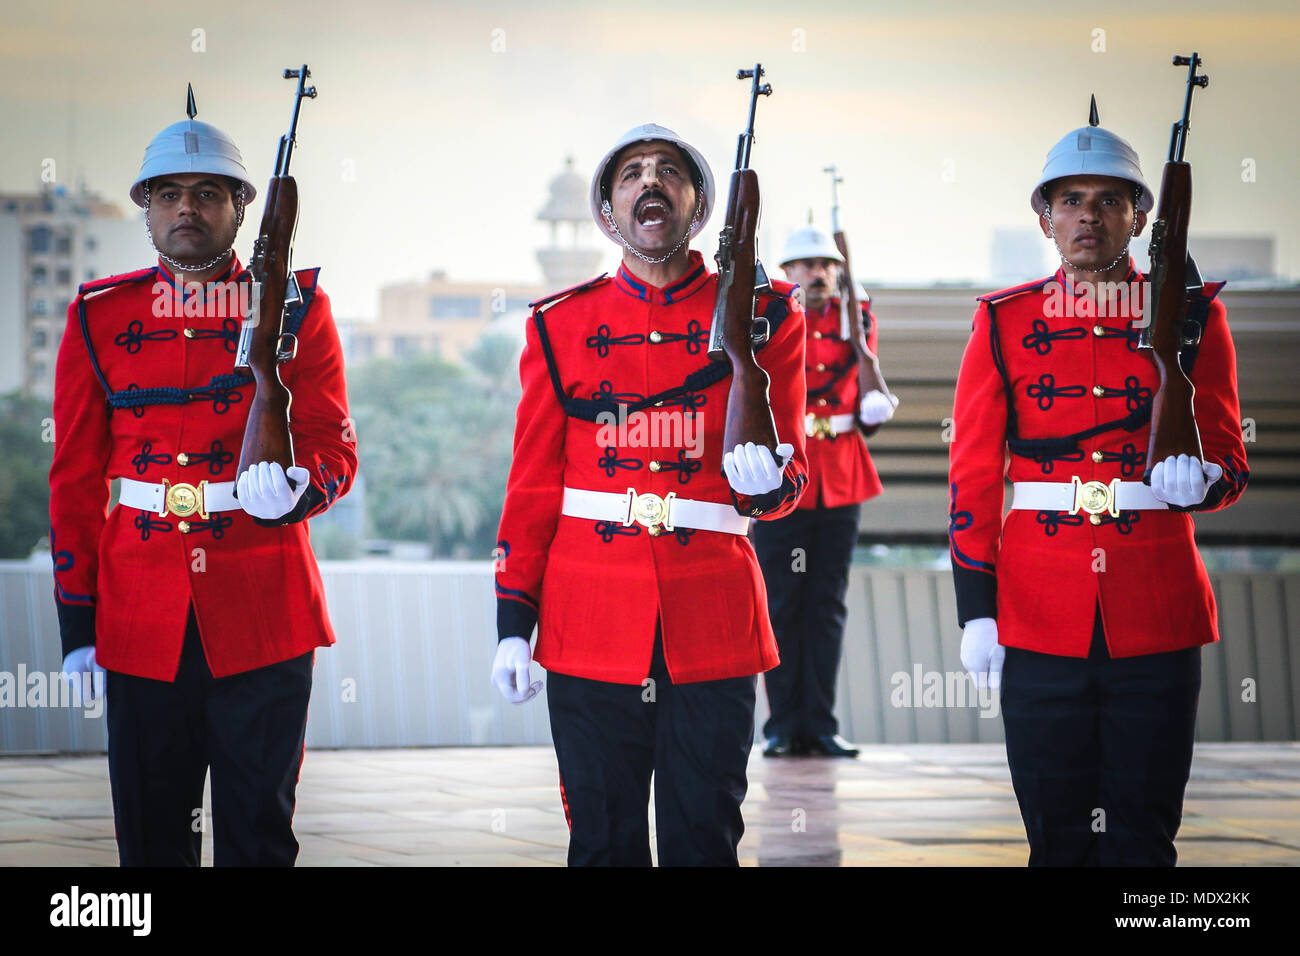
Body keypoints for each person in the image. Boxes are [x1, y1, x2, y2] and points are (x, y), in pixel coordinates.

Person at [489, 123, 809, 865]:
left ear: (699, 207)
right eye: (630, 174)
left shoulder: (768, 316)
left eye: (669, 171)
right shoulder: (557, 323)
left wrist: (767, 489)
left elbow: (792, 476)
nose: (649, 183)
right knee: (603, 839)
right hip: (588, 617)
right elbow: (533, 484)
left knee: (705, 835)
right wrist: (513, 618)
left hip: (714, 615)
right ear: (607, 212)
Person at [51, 92, 356, 866]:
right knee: (152, 838)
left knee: (259, 832)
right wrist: (77, 625)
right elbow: (76, 478)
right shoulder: (97, 315)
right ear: (146, 211)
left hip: (263, 607)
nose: (188, 209)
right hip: (140, 611)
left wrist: (299, 487)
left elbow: (333, 446)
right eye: (170, 194)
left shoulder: (294, 308)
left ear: (242, 207)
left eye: (209, 193)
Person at [948, 104, 1248, 865]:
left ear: (1142, 215)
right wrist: (976, 611)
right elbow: (975, 476)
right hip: (1038, 607)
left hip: (1156, 603)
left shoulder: (1192, 317)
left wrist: (1202, 480)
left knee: (1143, 839)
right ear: (1044, 217)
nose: (1090, 217)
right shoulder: (1002, 321)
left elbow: (1229, 457)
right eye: (1072, 200)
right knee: (1056, 837)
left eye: (1110, 200)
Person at [754, 226, 897, 757]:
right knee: (782, 602)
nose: (816, 274)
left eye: (825, 265)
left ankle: (820, 723)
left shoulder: (856, 319)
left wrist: (874, 406)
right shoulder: (770, 317)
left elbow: (865, 394)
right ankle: (782, 727)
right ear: (785, 272)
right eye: (805, 265)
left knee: (827, 604)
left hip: (838, 472)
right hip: (787, 472)